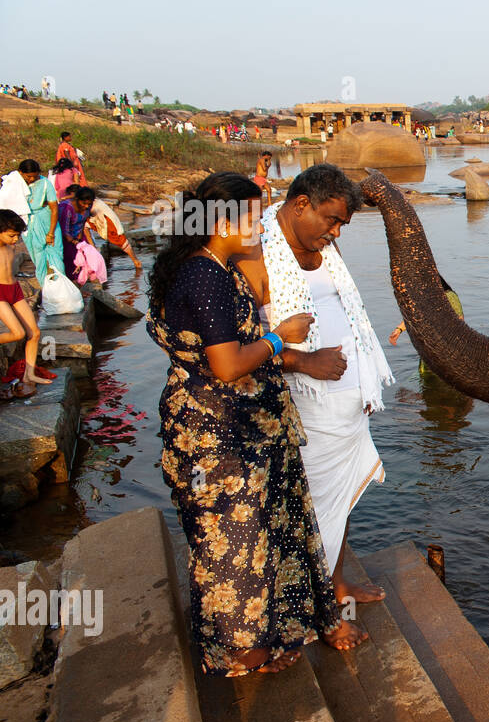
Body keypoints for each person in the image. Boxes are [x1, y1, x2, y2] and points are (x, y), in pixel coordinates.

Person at [147, 171, 367, 676]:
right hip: (222, 436)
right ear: (221, 221)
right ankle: (241, 650)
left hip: (236, 428)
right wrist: (278, 338)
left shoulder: (193, 266)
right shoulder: (206, 276)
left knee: (251, 539)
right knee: (234, 545)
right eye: (251, 214)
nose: (259, 223)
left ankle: (263, 636)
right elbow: (226, 365)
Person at [232, 164, 390, 606]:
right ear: (300, 204)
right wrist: (302, 361)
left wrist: (363, 382)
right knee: (310, 507)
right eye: (332, 219)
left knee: (339, 502)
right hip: (301, 406)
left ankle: (335, 584)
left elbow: (347, 313)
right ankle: (312, 604)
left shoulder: (322, 249)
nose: (336, 232)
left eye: (343, 224)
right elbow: (234, 350)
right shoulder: (254, 251)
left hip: (347, 405)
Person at [0, 209, 54, 394]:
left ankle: (28, 374)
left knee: (35, 333)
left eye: (17, 236)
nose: (16, 240)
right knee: (17, 333)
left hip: (14, 290)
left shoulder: (11, 247)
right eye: (12, 236)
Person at [87, 195, 140, 268]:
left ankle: (135, 261)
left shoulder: (95, 205)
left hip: (104, 219)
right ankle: (135, 261)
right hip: (97, 218)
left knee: (118, 239)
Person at [57, 185, 95, 277]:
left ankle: (81, 280)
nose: (86, 206)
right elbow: (64, 229)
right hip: (65, 238)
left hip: (78, 235)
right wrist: (74, 241)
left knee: (88, 256)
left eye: (89, 204)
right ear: (77, 199)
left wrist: (80, 238)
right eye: (84, 203)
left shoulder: (88, 207)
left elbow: (82, 223)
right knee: (71, 260)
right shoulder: (66, 208)